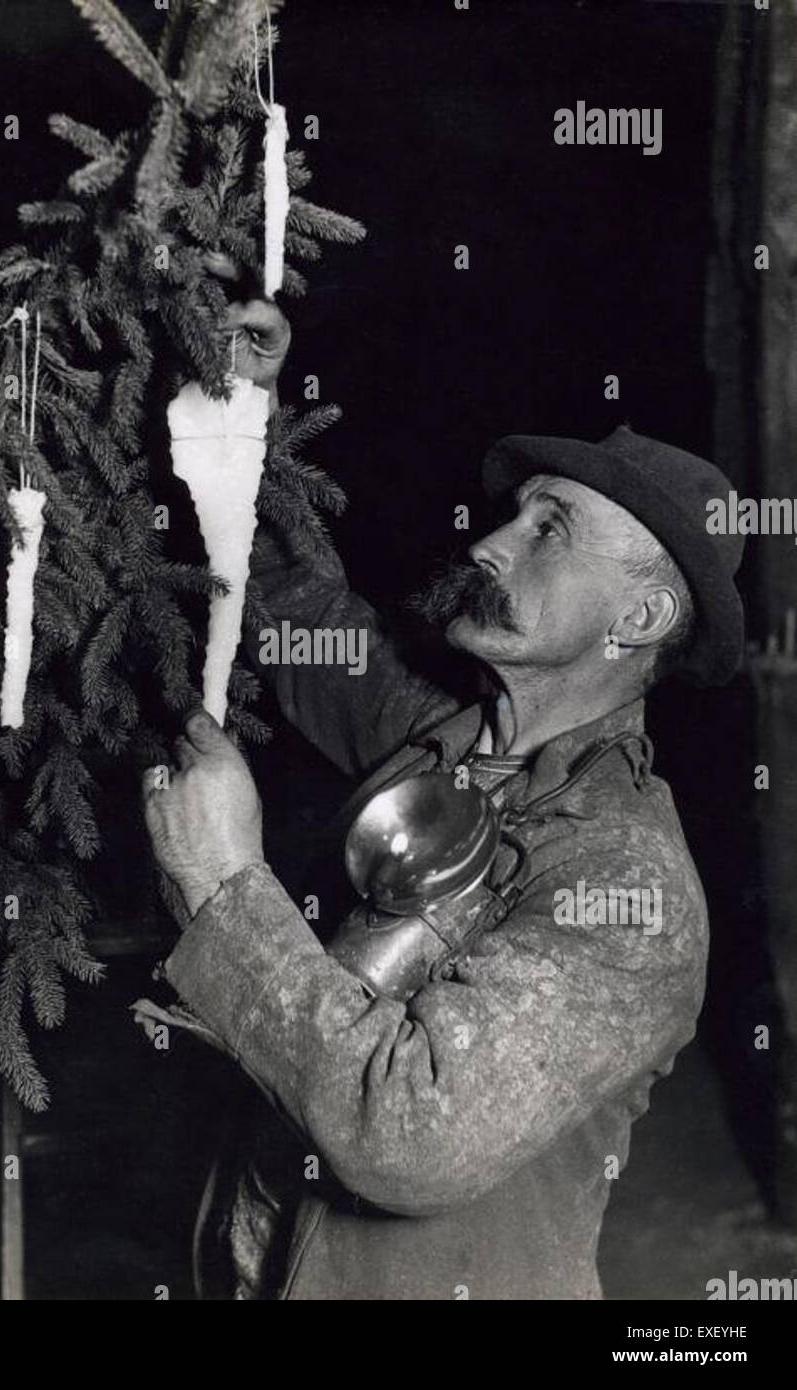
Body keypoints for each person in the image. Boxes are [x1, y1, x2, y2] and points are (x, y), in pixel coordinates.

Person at [141, 272, 747, 1300]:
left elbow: (411, 1131)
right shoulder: (443, 729)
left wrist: (223, 887)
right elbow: (291, 600)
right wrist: (241, 402)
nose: (487, 540)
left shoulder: (627, 888)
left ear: (638, 619)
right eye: (515, 513)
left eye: (548, 529)